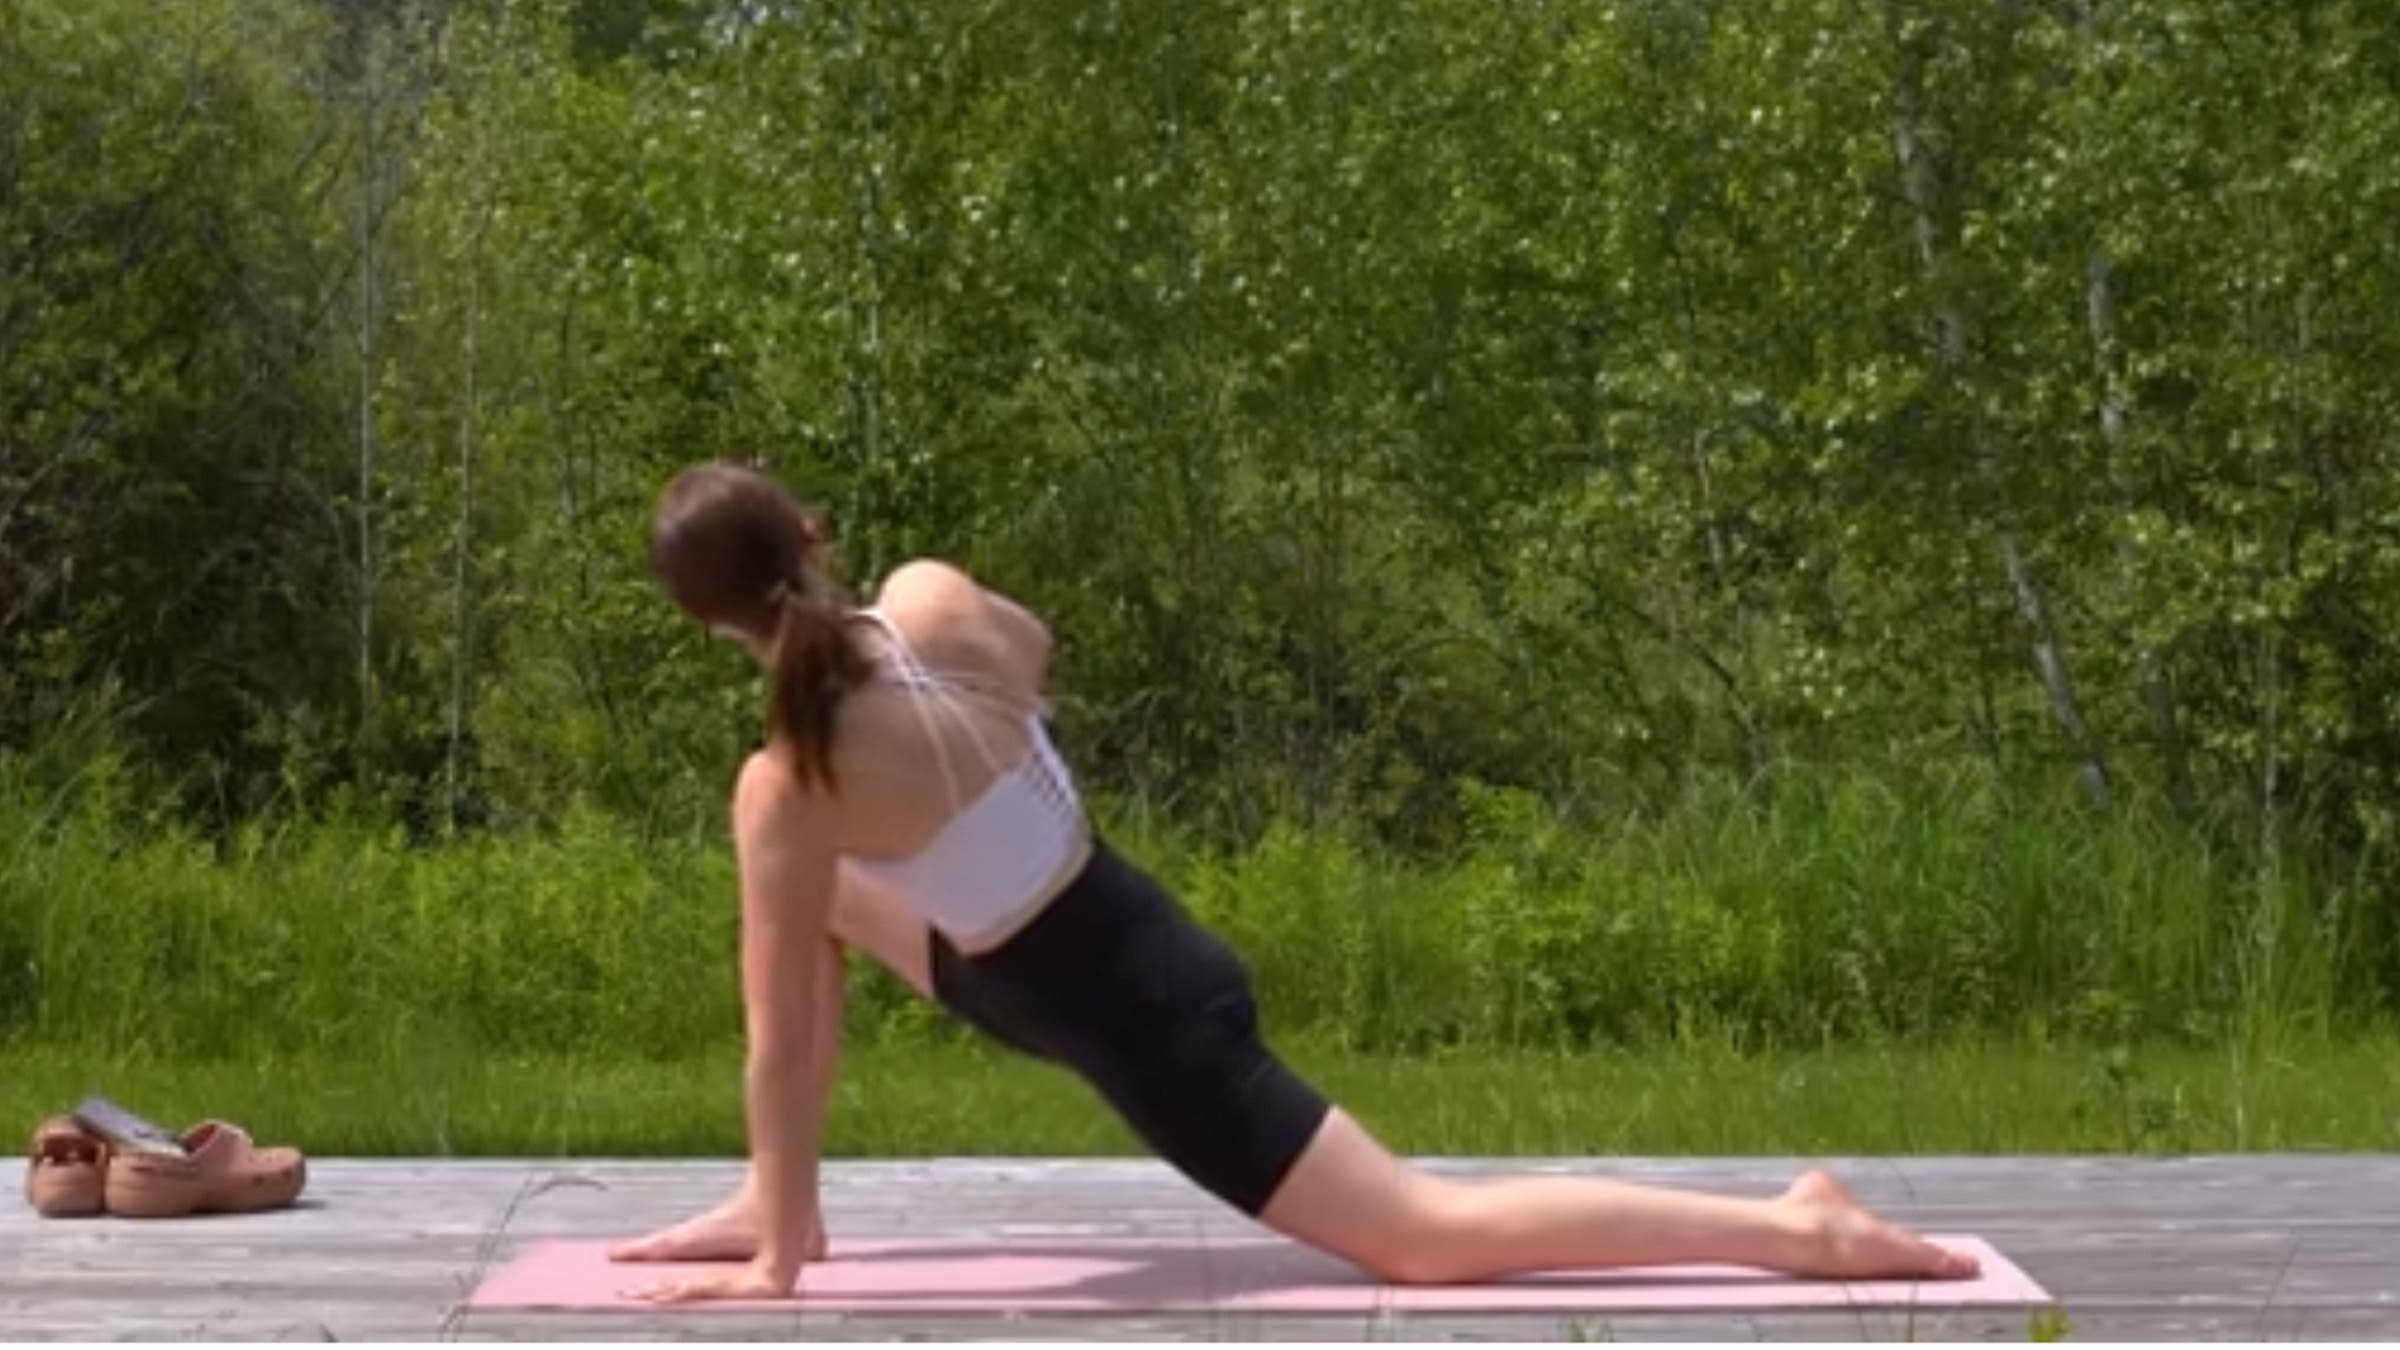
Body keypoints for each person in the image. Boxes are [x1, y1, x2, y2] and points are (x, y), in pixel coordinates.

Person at [613, 461, 1978, 1303]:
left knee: (1427, 1240)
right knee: (833, 908)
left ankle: (1800, 1230)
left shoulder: (784, 789)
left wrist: (773, 1285)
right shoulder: (931, 600)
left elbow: (778, 1047)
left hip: (1145, 1022)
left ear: (703, 625)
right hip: (1076, 932)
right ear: (807, 526)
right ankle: (777, 1203)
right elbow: (1034, 658)